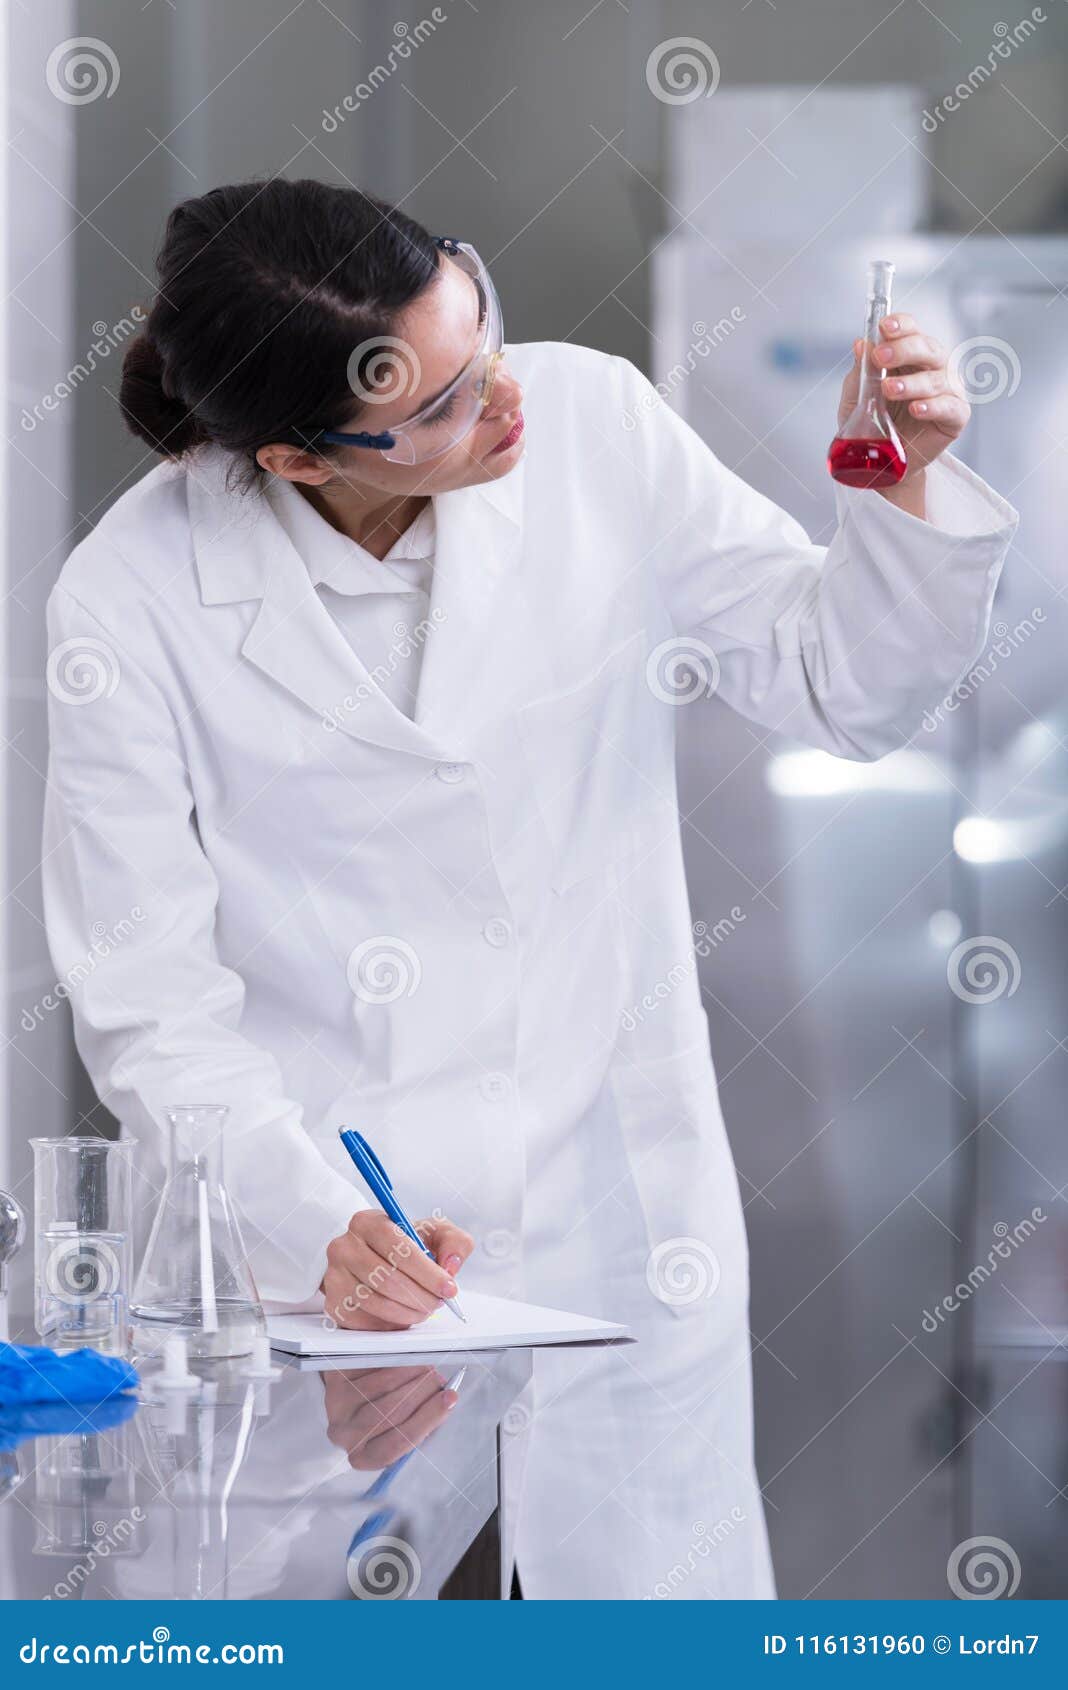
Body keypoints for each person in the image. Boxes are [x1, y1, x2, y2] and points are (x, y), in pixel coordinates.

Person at [42, 178, 1017, 1598]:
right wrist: (323, 1229)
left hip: (611, 1223)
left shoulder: (596, 429)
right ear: (301, 460)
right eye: (437, 406)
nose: (501, 399)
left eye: (481, 326)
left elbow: (839, 682)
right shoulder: (128, 600)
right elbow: (151, 1007)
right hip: (327, 1273)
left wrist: (912, 480)